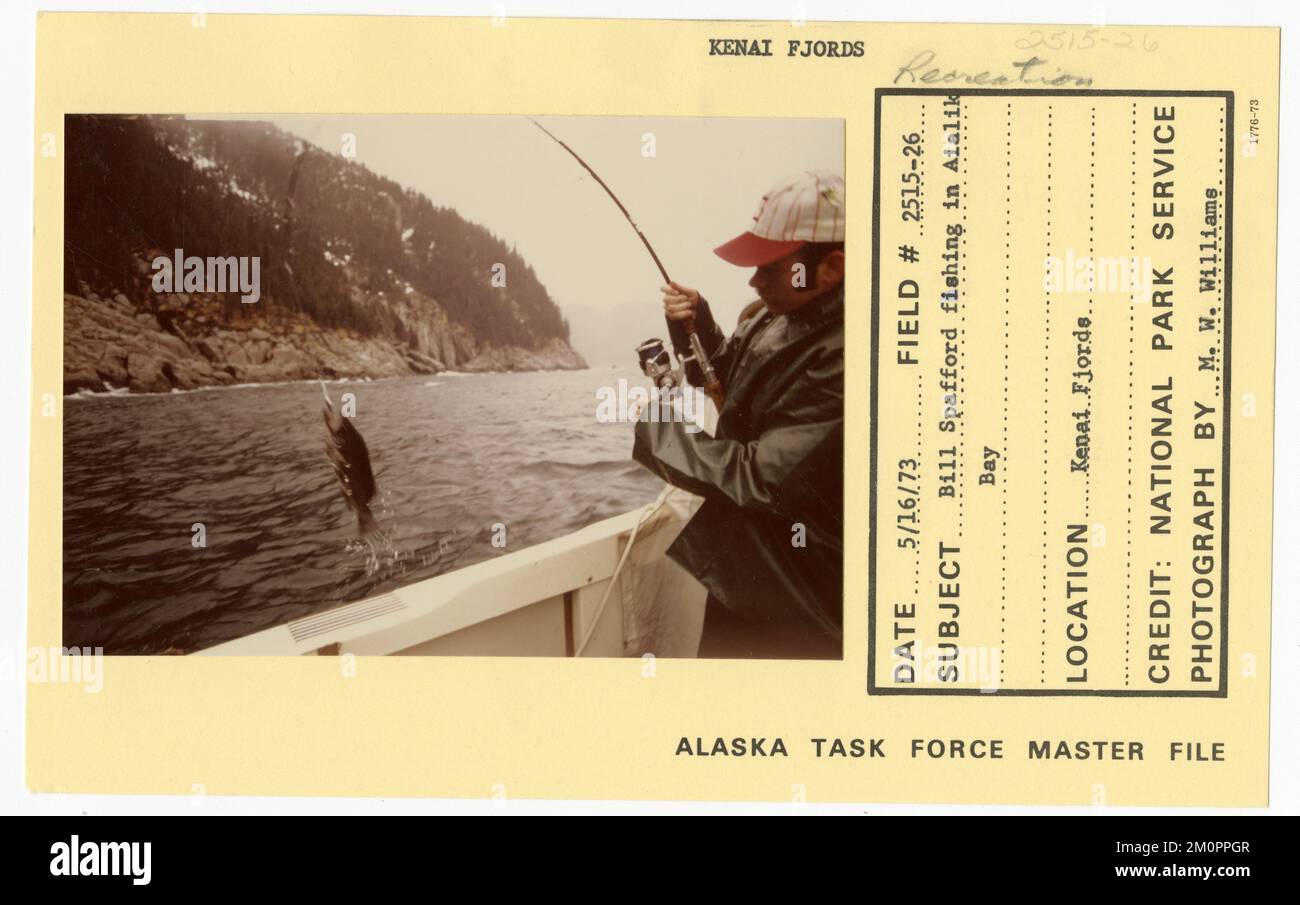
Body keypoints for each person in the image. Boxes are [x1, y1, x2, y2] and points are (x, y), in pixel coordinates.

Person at [632, 170, 845, 659]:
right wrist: (698, 321)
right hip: (750, 573)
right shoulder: (777, 311)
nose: (753, 280)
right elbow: (731, 376)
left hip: (797, 600)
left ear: (831, 268)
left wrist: (658, 429)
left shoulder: (847, 357)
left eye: (769, 267)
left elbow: (761, 477)